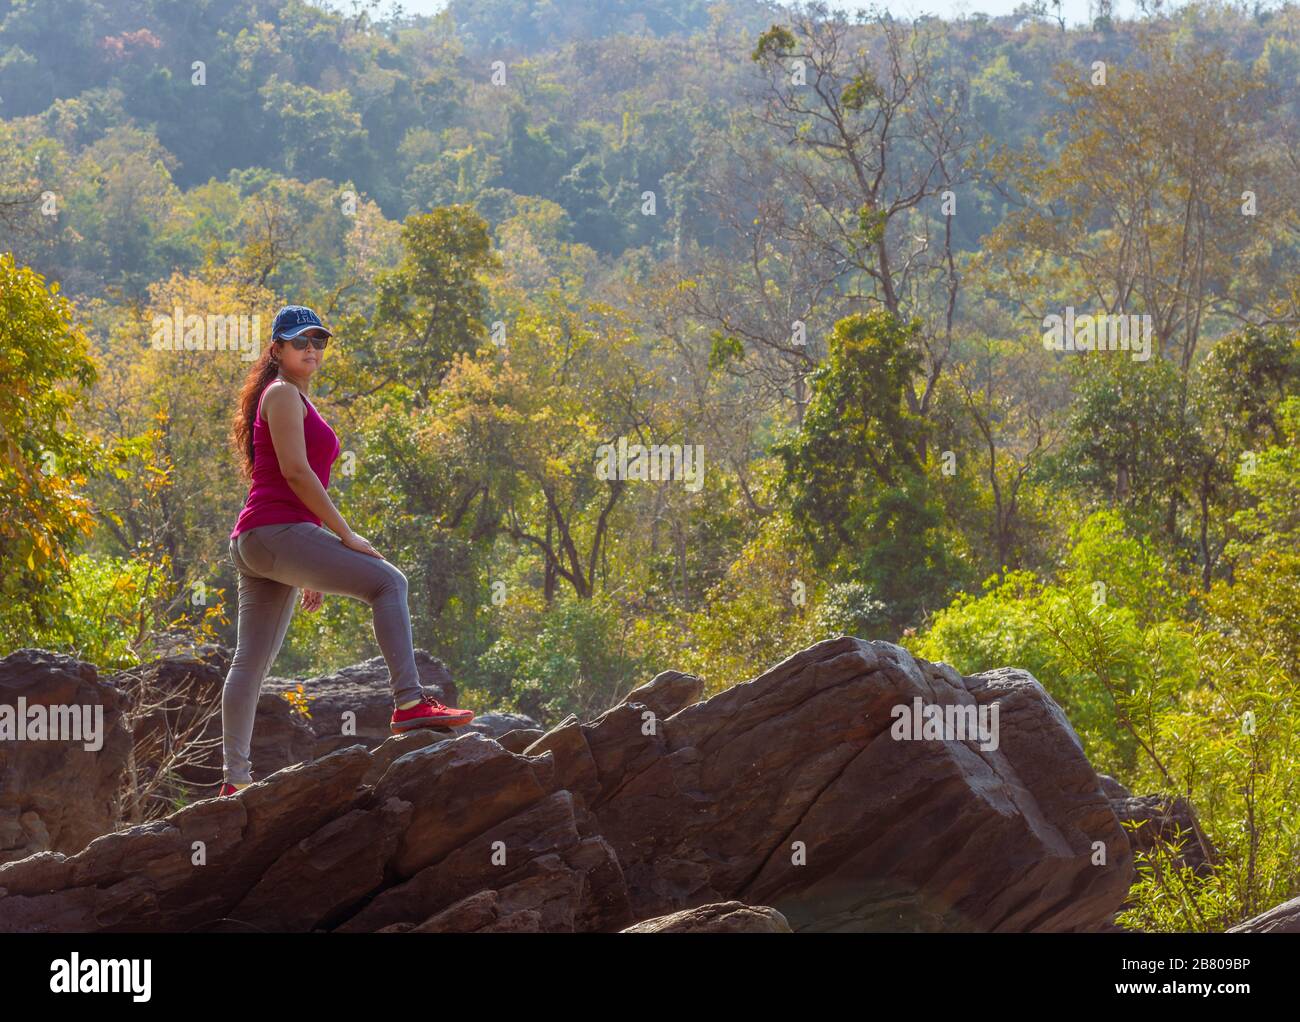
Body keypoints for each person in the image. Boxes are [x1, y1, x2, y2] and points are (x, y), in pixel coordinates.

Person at [218, 304, 472, 796]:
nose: (310, 349)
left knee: (249, 662)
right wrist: (345, 535)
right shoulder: (283, 394)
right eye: (299, 342)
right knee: (388, 581)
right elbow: (295, 474)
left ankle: (234, 781)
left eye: (318, 341)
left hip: (258, 541)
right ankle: (410, 702)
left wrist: (307, 567)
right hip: (276, 532)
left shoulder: (289, 398)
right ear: (277, 350)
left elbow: (287, 483)